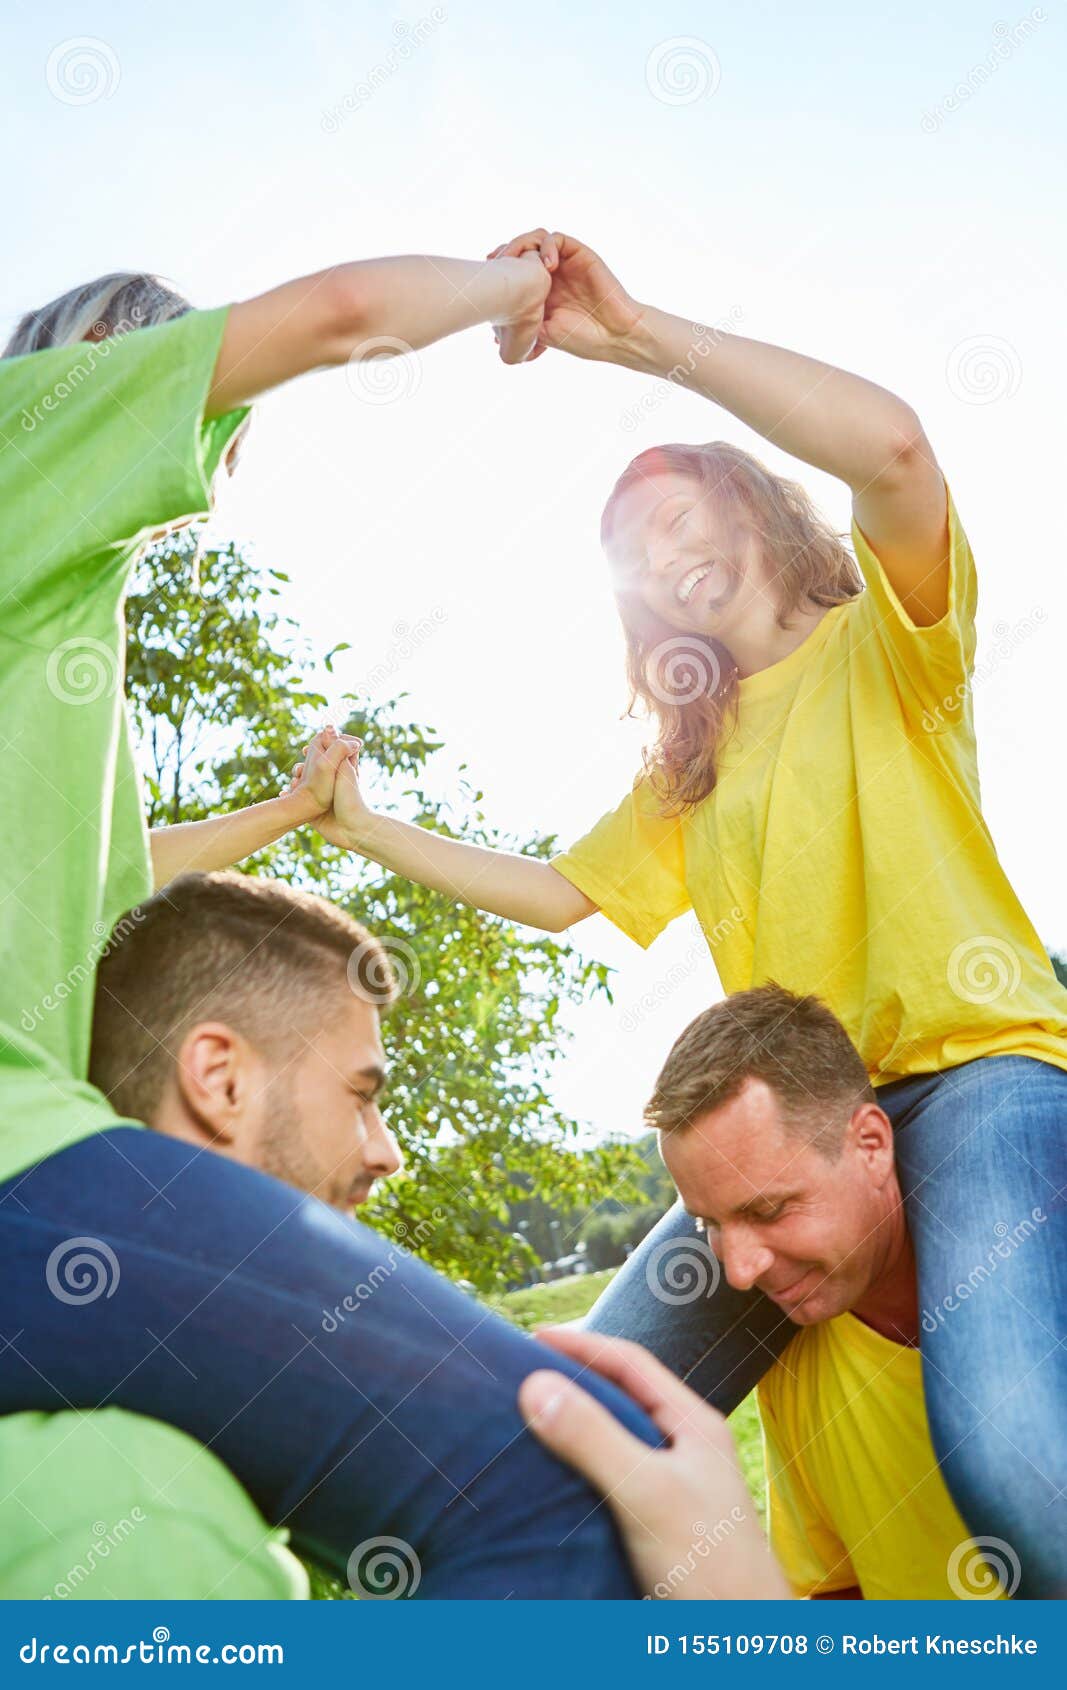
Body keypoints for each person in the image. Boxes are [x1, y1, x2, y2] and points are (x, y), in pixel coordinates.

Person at [322, 228, 1067, 1588]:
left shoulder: (891, 651)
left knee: (1013, 1447)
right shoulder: (691, 771)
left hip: (975, 1074)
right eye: (636, 560)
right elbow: (553, 894)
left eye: (677, 519)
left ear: (752, 505)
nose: (666, 563)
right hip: (784, 1129)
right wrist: (364, 826)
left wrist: (638, 334)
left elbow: (895, 450)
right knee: (570, 1437)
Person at [0, 251, 672, 1599]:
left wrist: (299, 809)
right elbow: (337, 319)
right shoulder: (38, 433)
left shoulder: (50, 626)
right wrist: (508, 288)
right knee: (576, 1480)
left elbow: (117, 868)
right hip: (26, 1172)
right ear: (100, 359)